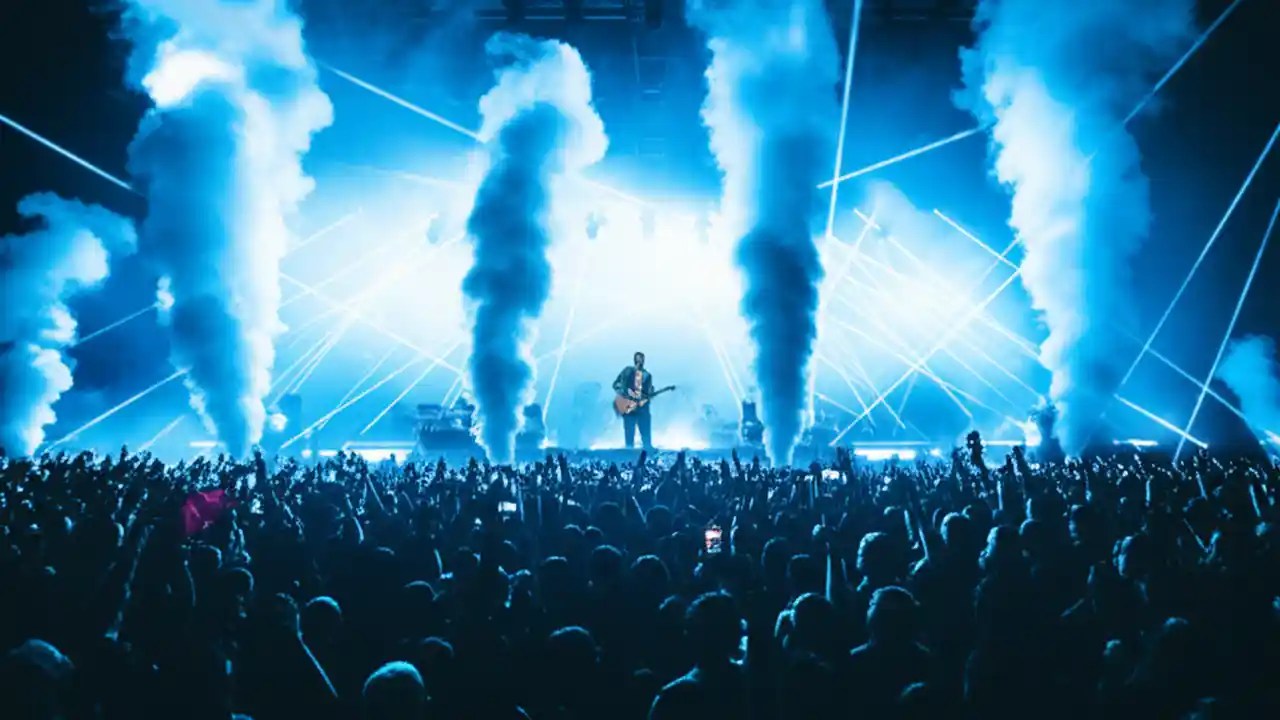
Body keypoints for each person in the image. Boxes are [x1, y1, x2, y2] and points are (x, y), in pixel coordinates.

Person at [613, 351, 655, 450]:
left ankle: (647, 452)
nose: (640, 362)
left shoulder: (647, 375)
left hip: (643, 409)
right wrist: (624, 394)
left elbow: (648, 392)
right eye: (638, 359)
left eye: (642, 359)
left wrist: (648, 396)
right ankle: (629, 453)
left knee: (646, 436)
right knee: (629, 437)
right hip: (629, 408)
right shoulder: (627, 371)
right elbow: (616, 385)